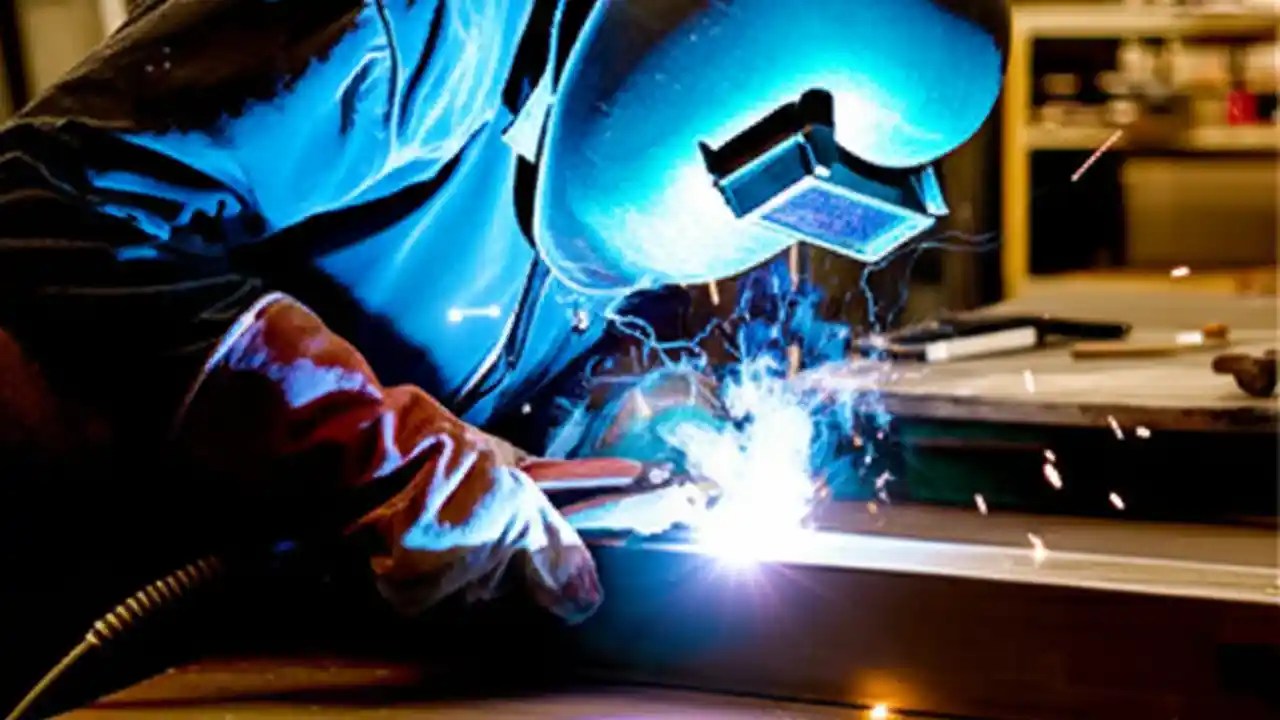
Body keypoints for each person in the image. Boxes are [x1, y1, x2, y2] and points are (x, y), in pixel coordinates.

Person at [0, 0, 1007, 675]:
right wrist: (369, 446)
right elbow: (37, 202)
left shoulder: (653, 143)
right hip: (73, 606)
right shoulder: (415, 28)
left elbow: (574, 316)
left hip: (296, 643)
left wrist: (642, 410)